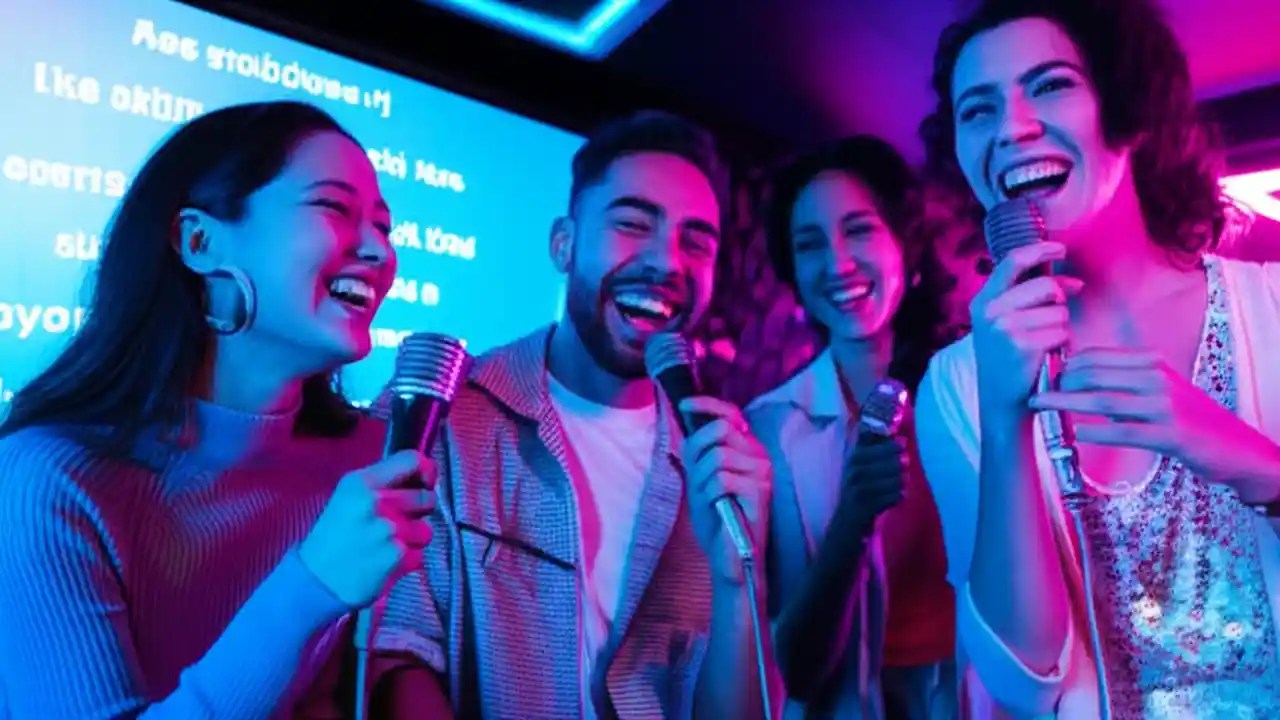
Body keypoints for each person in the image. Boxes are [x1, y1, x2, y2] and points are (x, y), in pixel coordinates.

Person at [0, 101, 434, 718]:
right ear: (199, 242)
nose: (378, 252)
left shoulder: (371, 459)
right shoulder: (47, 478)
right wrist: (310, 586)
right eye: (334, 207)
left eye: (385, 227)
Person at [913, 0, 1280, 716]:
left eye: (1050, 85)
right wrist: (1004, 419)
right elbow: (1027, 679)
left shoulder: (1272, 308)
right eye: (977, 110)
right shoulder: (954, 386)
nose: (1012, 129)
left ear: (1129, 110)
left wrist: (1253, 463)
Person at [368, 111, 775, 719]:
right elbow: (394, 657)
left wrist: (738, 583)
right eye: (634, 224)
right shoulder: (441, 416)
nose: (667, 262)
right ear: (563, 243)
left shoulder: (715, 458)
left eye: (696, 242)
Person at [745, 136, 959, 719]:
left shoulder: (972, 391)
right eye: (809, 244)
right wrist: (853, 518)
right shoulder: (771, 429)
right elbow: (795, 668)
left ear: (905, 244)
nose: (836, 263)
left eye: (859, 230)